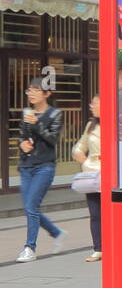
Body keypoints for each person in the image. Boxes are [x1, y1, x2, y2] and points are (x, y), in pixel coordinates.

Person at [16, 78, 66, 263]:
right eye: (29, 90)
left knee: (30, 207)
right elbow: (21, 137)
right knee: (31, 208)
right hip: (26, 166)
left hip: (44, 166)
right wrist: (22, 144)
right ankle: (57, 233)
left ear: (47, 94)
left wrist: (36, 123)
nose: (31, 93)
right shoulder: (26, 113)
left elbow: (52, 140)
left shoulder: (55, 114)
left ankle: (30, 248)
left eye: (36, 90)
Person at [72, 95, 103, 263]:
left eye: (95, 103)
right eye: (92, 103)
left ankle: (114, 246)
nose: (91, 106)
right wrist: (80, 155)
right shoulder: (90, 125)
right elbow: (80, 146)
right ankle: (98, 249)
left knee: (111, 213)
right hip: (92, 175)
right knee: (95, 213)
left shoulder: (117, 124)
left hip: (111, 175)